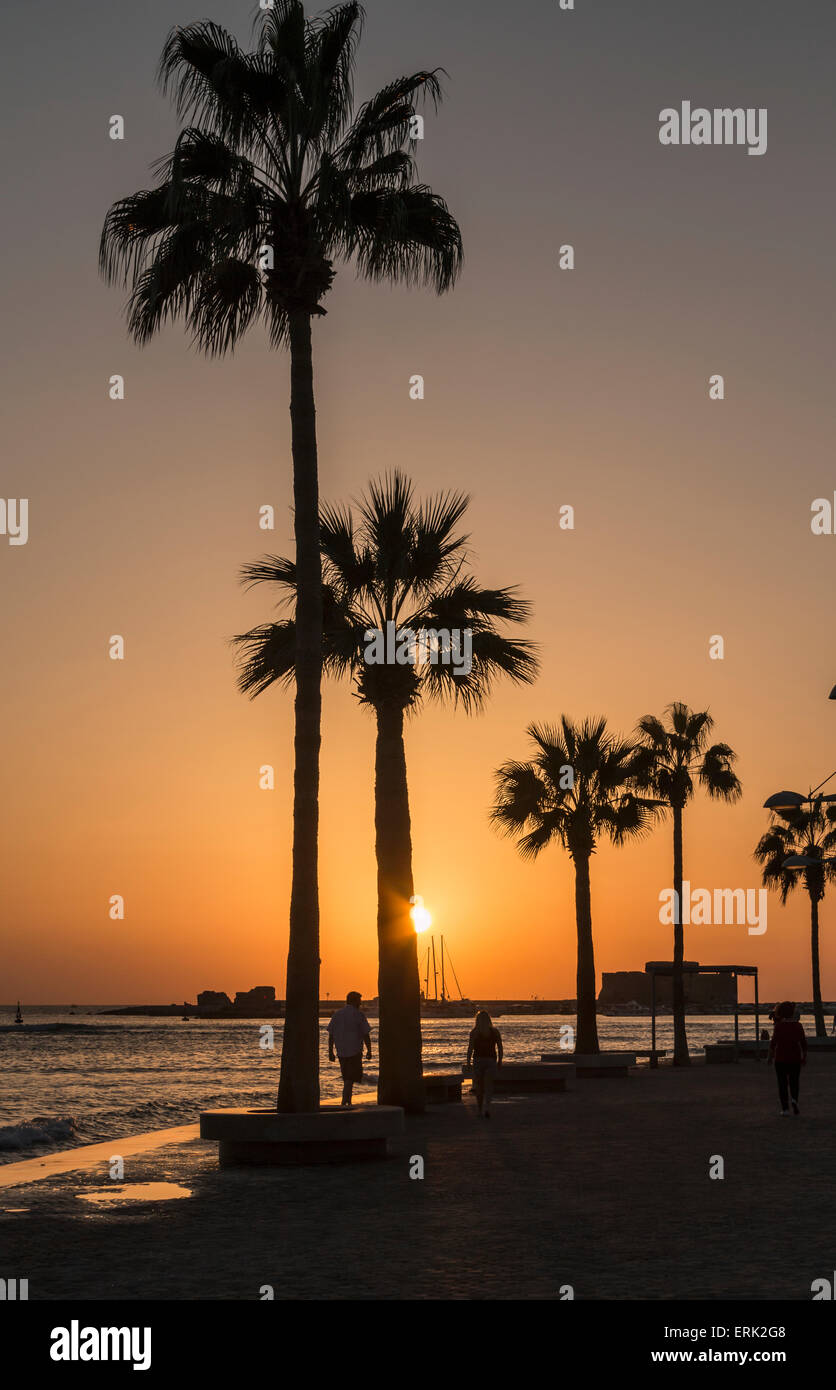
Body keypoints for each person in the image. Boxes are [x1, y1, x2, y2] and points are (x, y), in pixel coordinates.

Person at [327, 991, 372, 1108]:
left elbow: (331, 1035)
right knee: (350, 1077)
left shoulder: (337, 1014)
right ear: (354, 1001)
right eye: (359, 1001)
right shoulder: (358, 1015)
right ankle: (344, 1101)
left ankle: (348, 1101)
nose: (361, 1004)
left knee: (348, 1077)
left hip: (341, 1051)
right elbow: (365, 1034)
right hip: (355, 1051)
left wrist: (330, 1052)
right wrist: (369, 1050)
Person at [768, 1000, 807, 1116]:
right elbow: (803, 1043)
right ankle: (794, 1100)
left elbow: (773, 1044)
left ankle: (785, 1109)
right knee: (794, 1081)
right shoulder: (798, 1026)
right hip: (795, 1058)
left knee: (782, 1083)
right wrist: (804, 1057)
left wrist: (770, 1057)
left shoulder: (779, 1027)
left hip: (780, 1059)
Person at [466, 1010, 503, 1118]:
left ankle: (479, 1110)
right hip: (490, 1060)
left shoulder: (474, 1032)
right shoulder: (495, 1032)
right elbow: (500, 1048)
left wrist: (468, 1062)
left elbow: (470, 1049)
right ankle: (487, 1107)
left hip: (478, 1060)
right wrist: (500, 1060)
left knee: (479, 1086)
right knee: (489, 1086)